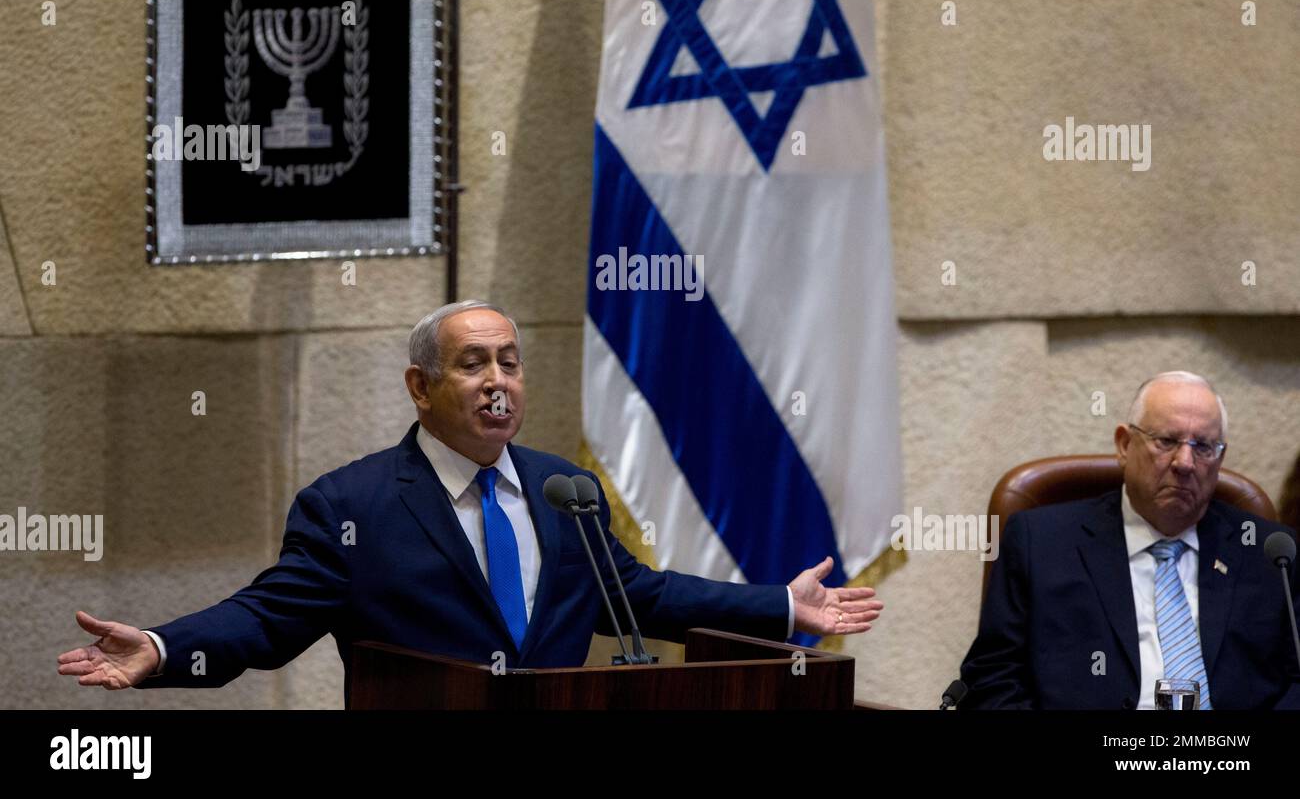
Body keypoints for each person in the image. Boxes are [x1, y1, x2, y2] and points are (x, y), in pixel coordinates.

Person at [57, 300, 882, 698]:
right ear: (421, 386)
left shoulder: (567, 493)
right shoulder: (353, 505)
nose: (498, 383)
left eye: (511, 363)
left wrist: (779, 605)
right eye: (474, 364)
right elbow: (266, 619)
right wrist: (163, 648)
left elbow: (639, 597)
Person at [960, 371, 1300, 709]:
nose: (1185, 463)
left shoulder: (1272, 553)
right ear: (1124, 444)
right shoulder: (1041, 543)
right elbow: (992, 679)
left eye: (1204, 447)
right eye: (1166, 441)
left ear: (1220, 458)